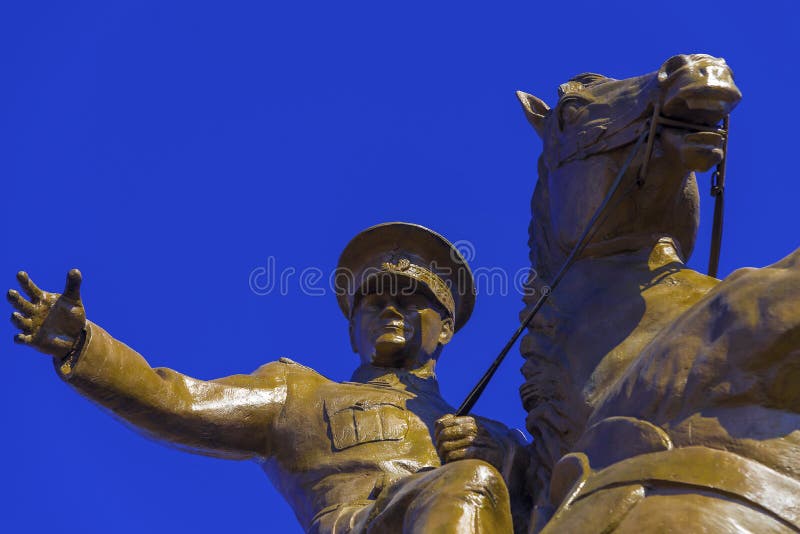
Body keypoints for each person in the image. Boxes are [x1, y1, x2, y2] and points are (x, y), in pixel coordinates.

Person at [8, 222, 530, 534]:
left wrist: (511, 457)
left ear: (446, 329)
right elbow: (176, 401)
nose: (391, 307)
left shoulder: (493, 439)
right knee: (470, 481)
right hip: (362, 525)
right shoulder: (297, 393)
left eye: (412, 299)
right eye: (373, 301)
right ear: (351, 331)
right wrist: (82, 344)